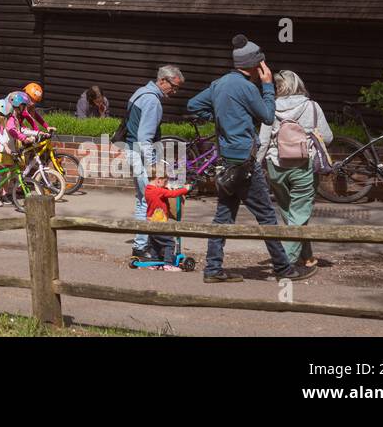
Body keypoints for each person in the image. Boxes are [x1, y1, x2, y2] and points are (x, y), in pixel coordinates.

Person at [187, 35, 314, 283]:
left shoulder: (219, 84)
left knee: (223, 217)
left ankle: (213, 269)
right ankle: (283, 269)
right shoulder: (247, 87)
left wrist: (219, 117)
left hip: (227, 162)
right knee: (266, 217)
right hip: (245, 163)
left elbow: (193, 105)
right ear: (255, 65)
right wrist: (267, 86)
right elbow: (267, 116)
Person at [257, 70, 333, 269]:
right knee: (299, 213)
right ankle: (286, 262)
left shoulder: (270, 108)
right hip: (303, 165)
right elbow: (328, 137)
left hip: (276, 165)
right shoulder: (312, 107)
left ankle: (306, 256)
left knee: (291, 213)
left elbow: (263, 140)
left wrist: (257, 164)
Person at [124, 65, 185, 260]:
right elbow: (145, 138)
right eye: (174, 86)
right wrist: (153, 167)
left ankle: (144, 242)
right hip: (140, 155)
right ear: (162, 81)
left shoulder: (140, 92)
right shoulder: (152, 100)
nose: (174, 92)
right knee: (147, 200)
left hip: (131, 150)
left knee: (142, 199)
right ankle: (141, 247)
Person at [140, 162, 192, 269]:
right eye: (165, 182)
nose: (165, 184)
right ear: (158, 179)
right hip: (160, 224)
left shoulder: (148, 190)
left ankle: (154, 263)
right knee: (169, 242)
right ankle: (168, 264)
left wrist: (166, 188)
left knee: (155, 244)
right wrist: (185, 189)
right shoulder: (159, 191)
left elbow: (164, 192)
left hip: (150, 223)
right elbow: (172, 194)